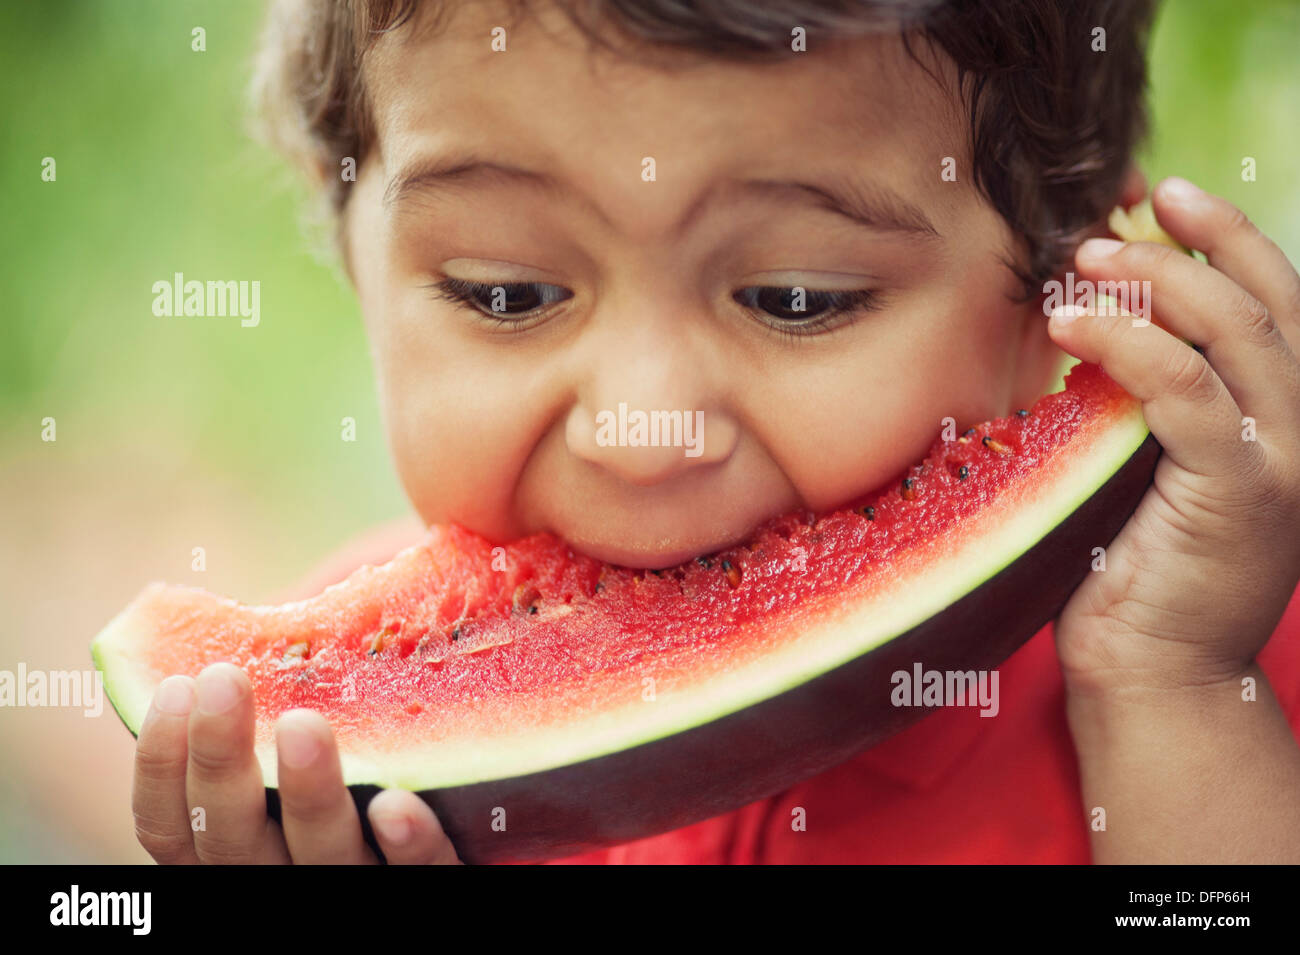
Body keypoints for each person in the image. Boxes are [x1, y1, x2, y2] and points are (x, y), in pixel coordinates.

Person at [129, 0, 1300, 864]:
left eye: (796, 297)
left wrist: (1180, 696)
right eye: (504, 292)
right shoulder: (321, 757)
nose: (640, 429)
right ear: (351, 255)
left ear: (1072, 294)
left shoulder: (1216, 647)